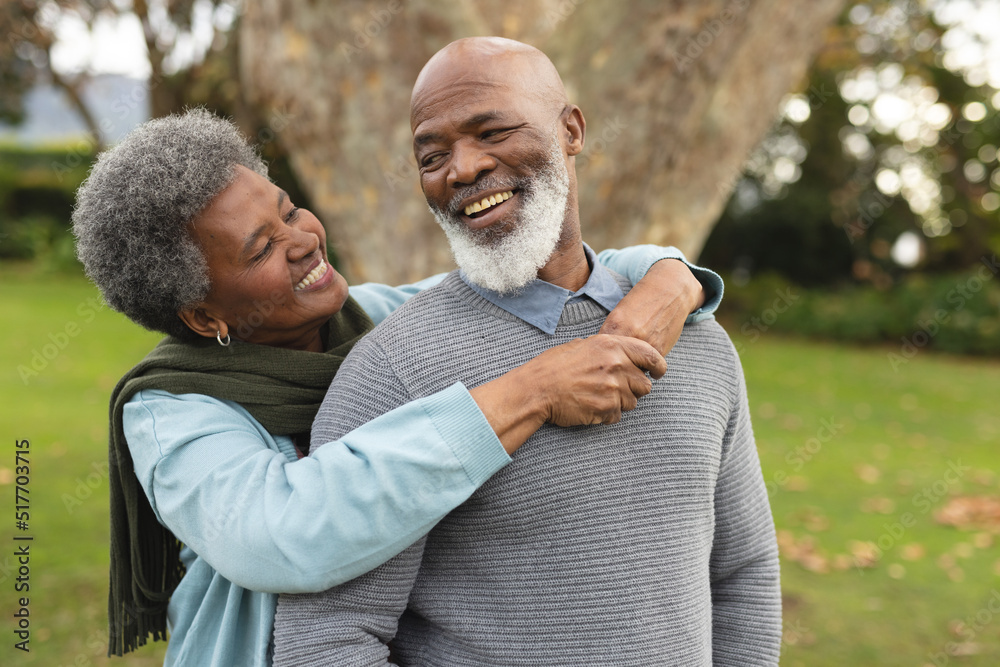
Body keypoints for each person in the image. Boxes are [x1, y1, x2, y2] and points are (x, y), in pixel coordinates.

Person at [70, 107, 724, 666]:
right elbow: (286, 533)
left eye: (289, 209)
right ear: (204, 316)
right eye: (261, 249)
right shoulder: (175, 413)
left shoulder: (382, 322)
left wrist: (672, 276)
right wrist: (531, 392)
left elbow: (552, 275)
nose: (301, 240)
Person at [273, 37, 781, 666]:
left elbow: (744, 575)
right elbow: (325, 639)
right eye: (432, 155)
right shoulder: (390, 372)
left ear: (571, 129)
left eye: (492, 131)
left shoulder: (698, 339)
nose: (461, 169)